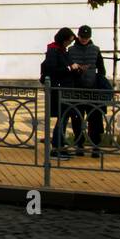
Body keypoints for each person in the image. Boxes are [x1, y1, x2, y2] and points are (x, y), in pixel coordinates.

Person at [68, 24, 109, 156]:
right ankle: (79, 145)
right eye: (82, 37)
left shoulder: (95, 50)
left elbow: (101, 69)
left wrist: (97, 79)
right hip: (77, 89)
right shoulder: (71, 50)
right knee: (77, 118)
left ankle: (95, 146)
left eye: (86, 37)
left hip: (93, 90)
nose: (84, 39)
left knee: (95, 119)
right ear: (78, 36)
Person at [39, 27, 77, 157]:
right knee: (62, 117)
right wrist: (69, 68)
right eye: (69, 41)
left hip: (64, 88)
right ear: (63, 39)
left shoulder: (61, 50)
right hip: (58, 89)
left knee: (64, 117)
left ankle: (60, 145)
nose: (69, 44)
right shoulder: (54, 51)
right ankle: (57, 147)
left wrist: (75, 68)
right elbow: (53, 70)